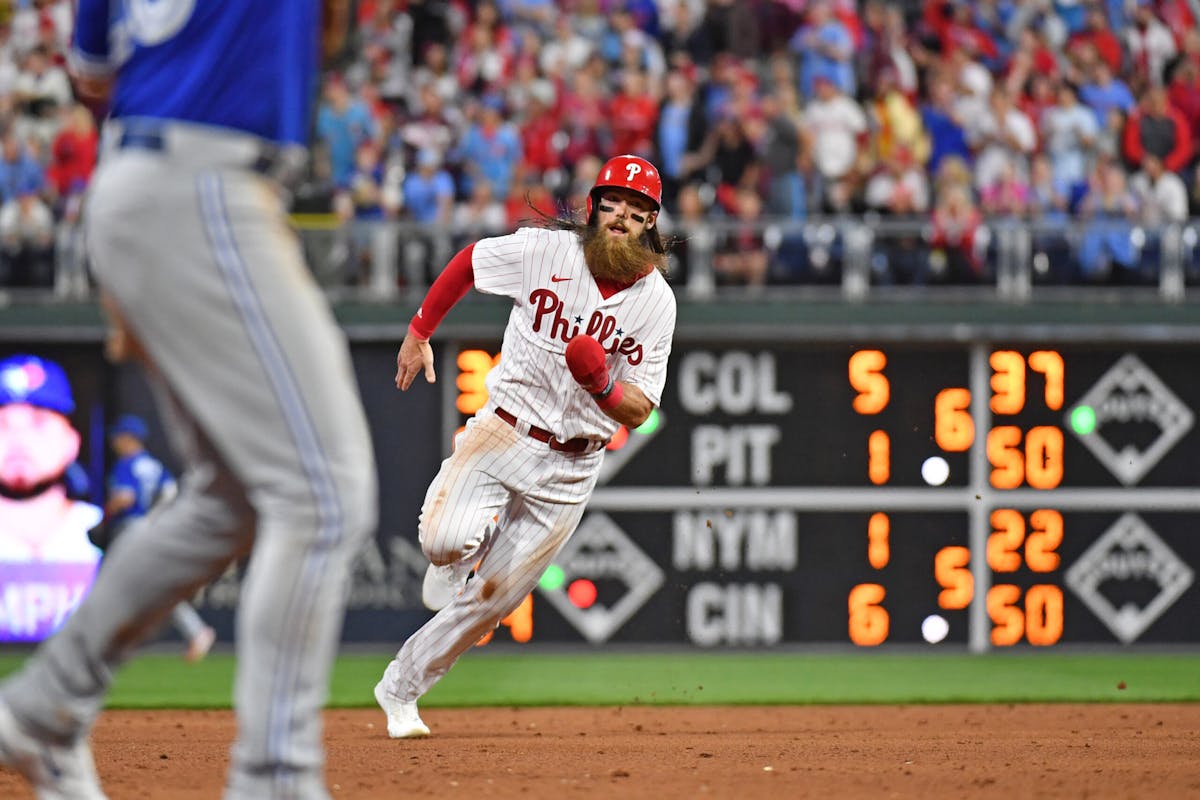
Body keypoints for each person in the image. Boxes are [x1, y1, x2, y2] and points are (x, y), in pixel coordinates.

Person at [0, 3, 379, 800]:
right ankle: (274, 782)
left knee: (229, 501)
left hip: (143, 180)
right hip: (208, 184)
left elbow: (95, 74)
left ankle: (42, 709)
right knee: (324, 497)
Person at [374, 154, 678, 738]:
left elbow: (640, 412)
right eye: (612, 202)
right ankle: (459, 555)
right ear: (593, 208)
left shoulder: (656, 303)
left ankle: (400, 690)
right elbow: (469, 262)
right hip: (506, 429)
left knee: (491, 601)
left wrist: (603, 385)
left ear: (649, 225)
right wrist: (419, 332)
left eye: (636, 210)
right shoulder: (546, 251)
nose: (621, 216)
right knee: (441, 540)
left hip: (574, 466)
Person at [0, 353, 104, 642]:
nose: (18, 440)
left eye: (39, 422)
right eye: (3, 424)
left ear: (71, 441)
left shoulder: (98, 527)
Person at [102, 414, 216, 663]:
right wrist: (155, 519)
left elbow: (125, 498)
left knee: (124, 586)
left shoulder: (127, 464)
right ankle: (191, 631)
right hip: (149, 528)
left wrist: (104, 515)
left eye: (118, 436)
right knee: (144, 588)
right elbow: (171, 492)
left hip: (130, 529)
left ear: (128, 438)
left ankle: (194, 631)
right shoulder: (153, 465)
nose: (114, 441)